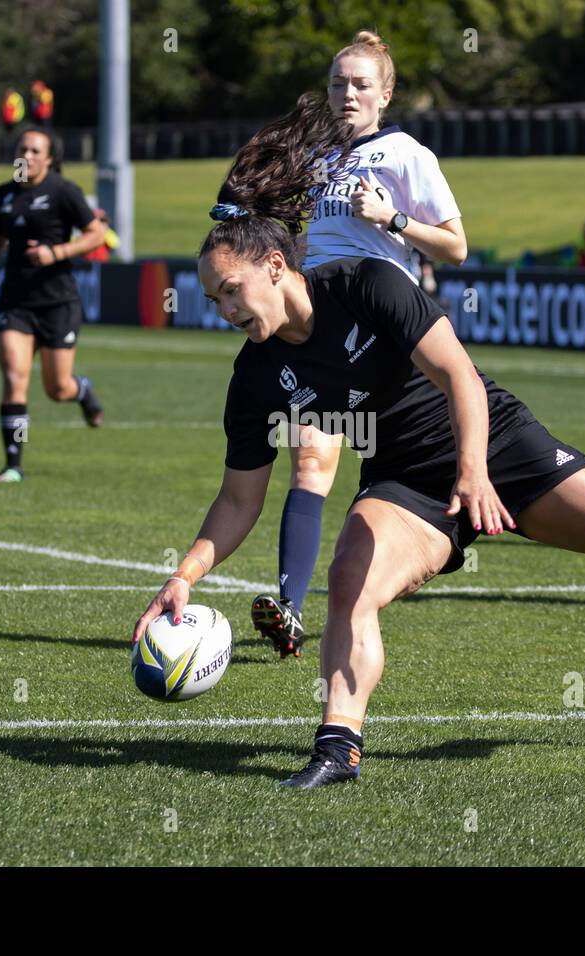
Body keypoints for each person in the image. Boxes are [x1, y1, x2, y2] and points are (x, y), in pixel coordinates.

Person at [132, 93, 585, 789]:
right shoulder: (254, 377)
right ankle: (337, 748)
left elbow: (458, 375)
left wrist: (474, 471)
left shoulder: (368, 285)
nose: (224, 311)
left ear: (276, 267)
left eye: (230, 291)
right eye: (214, 299)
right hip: (406, 480)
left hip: (494, 445)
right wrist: (184, 577)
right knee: (350, 584)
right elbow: (238, 497)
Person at [249, 31, 467, 659]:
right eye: (338, 83)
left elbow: (455, 246)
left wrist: (392, 219)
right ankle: (289, 609)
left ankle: (431, 533)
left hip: (383, 321)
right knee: (311, 462)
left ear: (386, 93)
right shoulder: (319, 158)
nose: (347, 94)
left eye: (361, 84)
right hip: (322, 316)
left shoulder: (406, 154)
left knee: (396, 458)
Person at [0, 127, 107, 483]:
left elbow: (96, 234)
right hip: (15, 302)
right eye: (23, 149)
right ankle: (13, 464)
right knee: (14, 378)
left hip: (58, 303)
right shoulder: (2, 194)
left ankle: (81, 391)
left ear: (49, 158)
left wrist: (57, 252)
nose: (28, 156)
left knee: (56, 388)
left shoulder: (64, 191)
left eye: (36, 151)